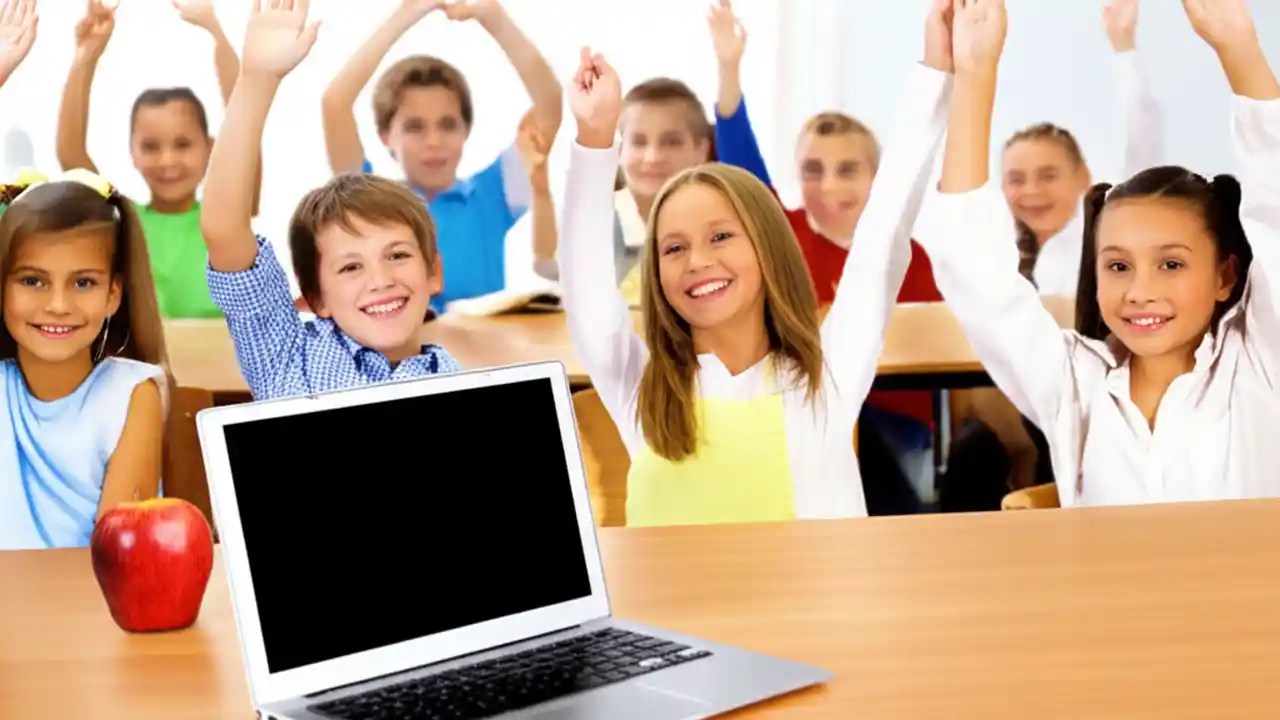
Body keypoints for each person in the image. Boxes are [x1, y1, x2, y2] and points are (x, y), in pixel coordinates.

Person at [557, 0, 955, 527]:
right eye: (673, 248)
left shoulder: (825, 376)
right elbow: (586, 289)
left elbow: (884, 236)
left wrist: (937, 70)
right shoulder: (642, 387)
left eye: (721, 236)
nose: (698, 260)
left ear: (767, 249)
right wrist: (593, 136)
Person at [926, 0, 1280, 507]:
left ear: (1225, 276)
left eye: (1171, 264)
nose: (1139, 291)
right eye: (1118, 266)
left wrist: (1238, 46)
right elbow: (971, 265)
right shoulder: (1074, 382)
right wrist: (975, 73)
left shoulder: (1260, 362)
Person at [202, 0, 461, 402]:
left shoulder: (453, 377)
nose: (381, 280)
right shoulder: (289, 358)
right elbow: (223, 230)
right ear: (316, 298)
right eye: (351, 266)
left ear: (434, 273)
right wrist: (256, 80)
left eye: (397, 255)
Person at [321, 0, 561, 313]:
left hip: (483, 343)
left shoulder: (492, 194)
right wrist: (408, 12)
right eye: (415, 127)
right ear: (386, 137)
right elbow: (334, 103)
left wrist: (493, 15)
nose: (434, 142)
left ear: (466, 130)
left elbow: (549, 105)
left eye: (447, 125)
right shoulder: (369, 203)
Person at [56, 0, 259, 319]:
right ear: (132, 152)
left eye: (183, 144)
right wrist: (86, 57)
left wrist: (216, 32)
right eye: (150, 147)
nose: (167, 160)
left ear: (210, 148)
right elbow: (72, 156)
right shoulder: (124, 220)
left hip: (219, 350)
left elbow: (245, 126)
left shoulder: (227, 217)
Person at [0, 168, 169, 550]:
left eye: (83, 283)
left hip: (90, 589)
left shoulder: (131, 395)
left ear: (113, 295)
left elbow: (118, 552)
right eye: (32, 281)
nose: (58, 305)